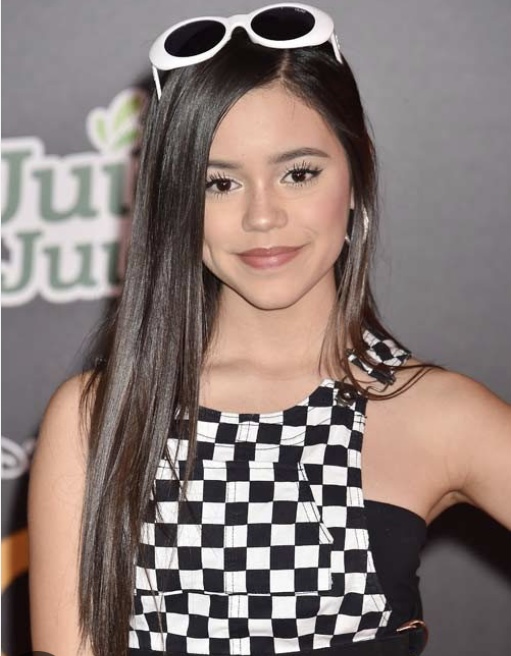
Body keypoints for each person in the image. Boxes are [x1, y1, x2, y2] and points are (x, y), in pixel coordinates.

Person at [28, 4, 511, 656]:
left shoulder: (431, 411)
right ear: (175, 200)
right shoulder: (98, 416)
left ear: (357, 174)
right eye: (219, 183)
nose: (262, 216)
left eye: (298, 174)